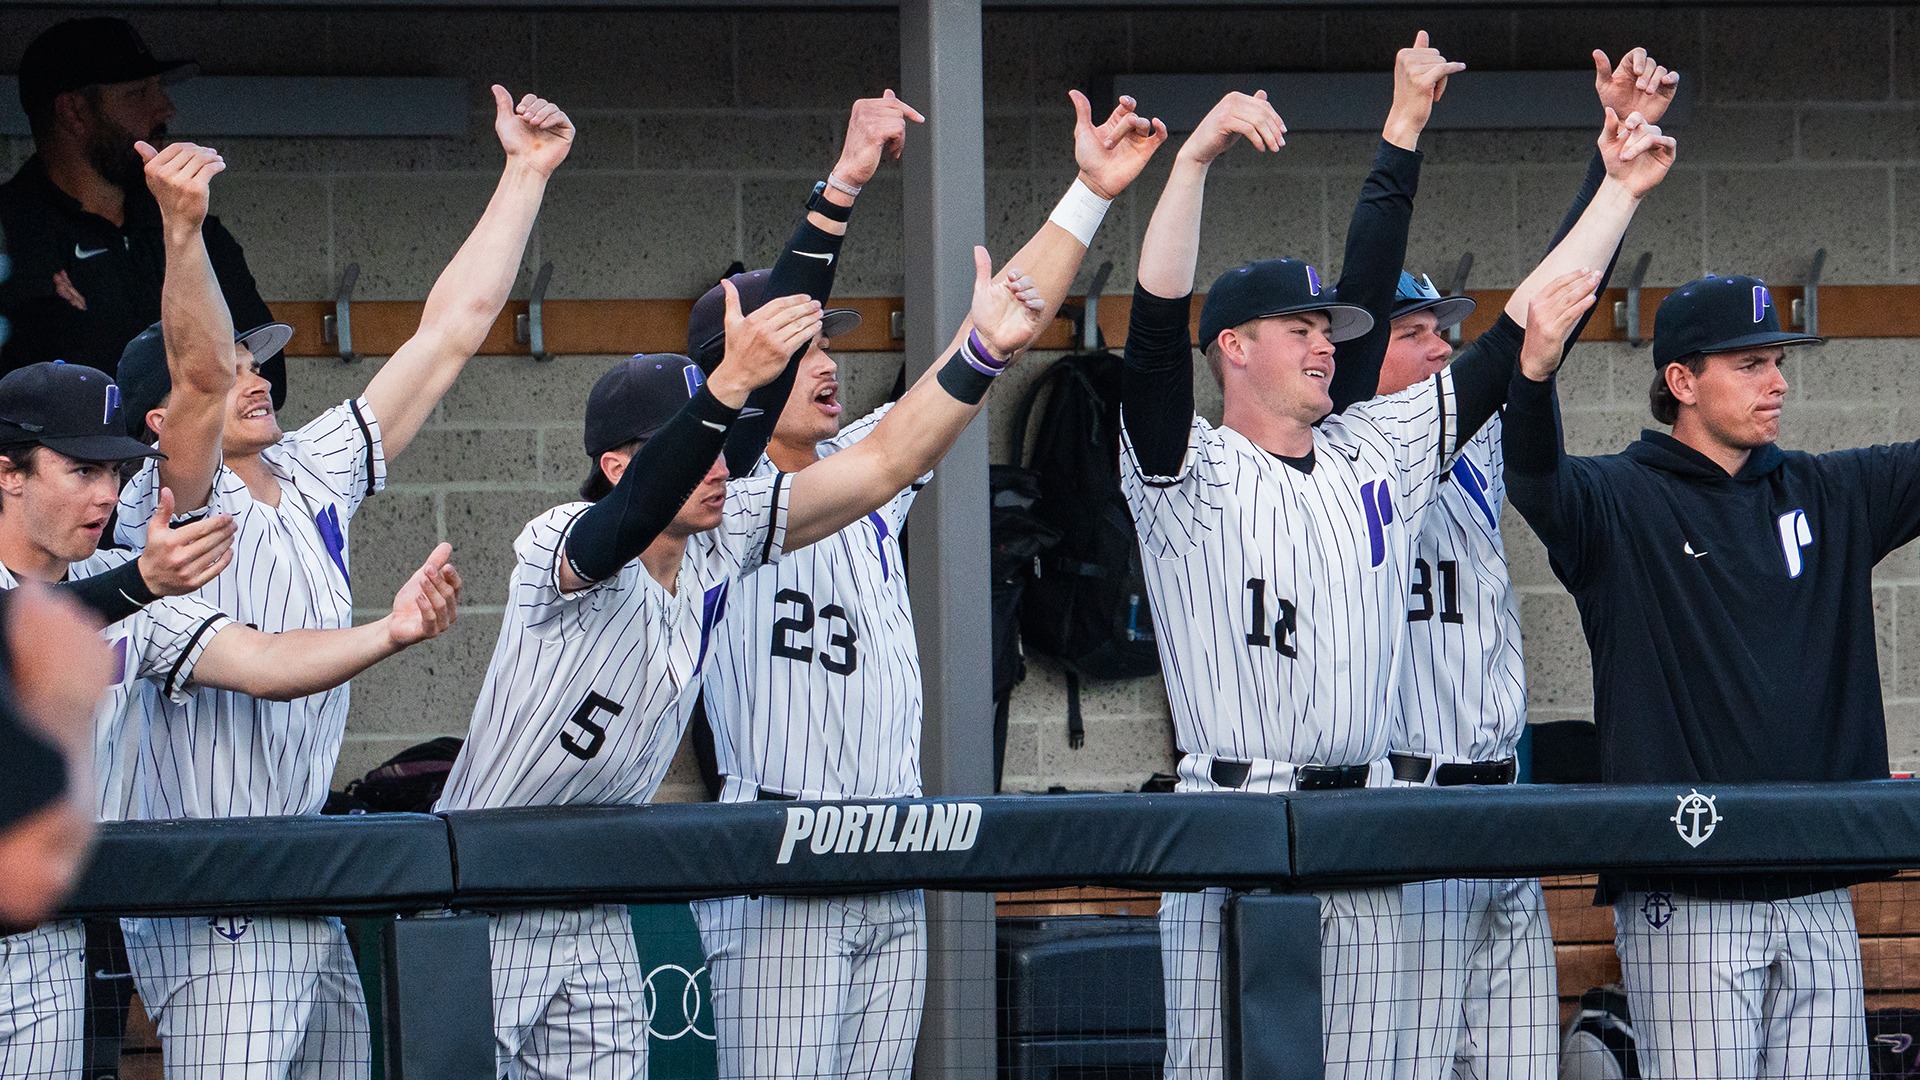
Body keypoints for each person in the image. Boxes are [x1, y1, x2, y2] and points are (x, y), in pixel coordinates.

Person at [435, 93, 1103, 1077]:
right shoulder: (563, 544)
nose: (824, 362)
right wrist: (748, 356)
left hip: (764, 868)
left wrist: (982, 328)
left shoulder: (729, 531)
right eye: (794, 356)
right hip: (517, 880)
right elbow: (667, 480)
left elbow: (891, 452)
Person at [1117, 59, 1675, 1076]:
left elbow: (1520, 335)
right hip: (1233, 820)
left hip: (1371, 824)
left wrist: (1619, 192)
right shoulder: (1185, 471)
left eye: (1328, 332)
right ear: (1234, 348)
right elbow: (1153, 334)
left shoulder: (1378, 452)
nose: (1326, 347)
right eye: (1301, 330)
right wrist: (1192, 161)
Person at [686, 90, 1163, 1080]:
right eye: (799, 347)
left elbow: (990, 342)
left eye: (827, 343)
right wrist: (846, 178)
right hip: (780, 862)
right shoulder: (712, 503)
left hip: (889, 858)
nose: (826, 363)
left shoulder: (868, 465)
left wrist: (1085, 195)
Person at [103, 87, 567, 1080]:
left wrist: (522, 177)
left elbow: (450, 331)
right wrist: (184, 233)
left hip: (306, 870)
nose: (253, 375)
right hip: (212, 891)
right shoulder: (167, 498)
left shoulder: (316, 465)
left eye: (258, 359)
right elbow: (193, 383)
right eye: (233, 368)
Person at [1502, 243, 1907, 1077]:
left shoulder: (1828, 493)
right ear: (1682, 382)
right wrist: (1533, 374)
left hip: (1813, 881)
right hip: (1687, 889)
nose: (1778, 382)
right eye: (1751, 363)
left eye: (1779, 361)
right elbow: (1535, 477)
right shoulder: (1619, 499)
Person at [0, 357, 460, 1080]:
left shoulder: (117, 587)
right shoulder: (126, 584)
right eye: (81, 470)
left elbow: (262, 661)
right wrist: (137, 582)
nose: (105, 493)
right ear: (9, 472)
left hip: (53, 931)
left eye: (113, 472)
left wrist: (389, 632)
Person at [1377, 48, 1678, 1080]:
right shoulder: (1336, 456)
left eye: (1440, 332)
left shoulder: (1475, 445)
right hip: (1400, 816)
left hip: (1501, 809)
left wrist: (1613, 172)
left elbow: (1554, 306)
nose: (1435, 347)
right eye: (1413, 332)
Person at [0, 17, 287, 405]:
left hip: (193, 465)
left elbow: (268, 375)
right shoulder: (12, 230)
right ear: (74, 112)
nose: (164, 107)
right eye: (138, 93)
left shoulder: (189, 224)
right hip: (68, 466)